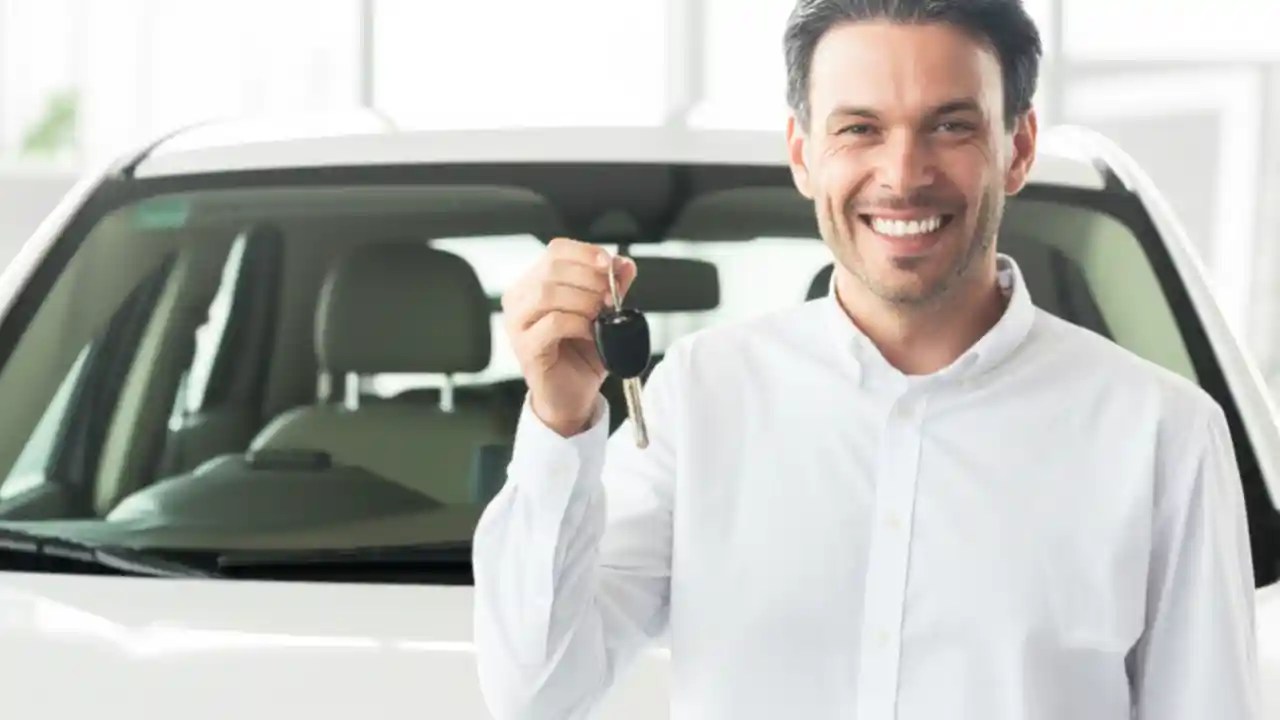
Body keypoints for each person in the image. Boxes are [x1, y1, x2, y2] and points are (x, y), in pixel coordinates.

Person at [471, 0, 1261, 717]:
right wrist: (561, 423)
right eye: (860, 128)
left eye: (950, 126)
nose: (904, 174)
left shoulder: (1164, 435)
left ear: (1017, 148)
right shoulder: (698, 399)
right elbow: (536, 691)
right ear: (803, 152)